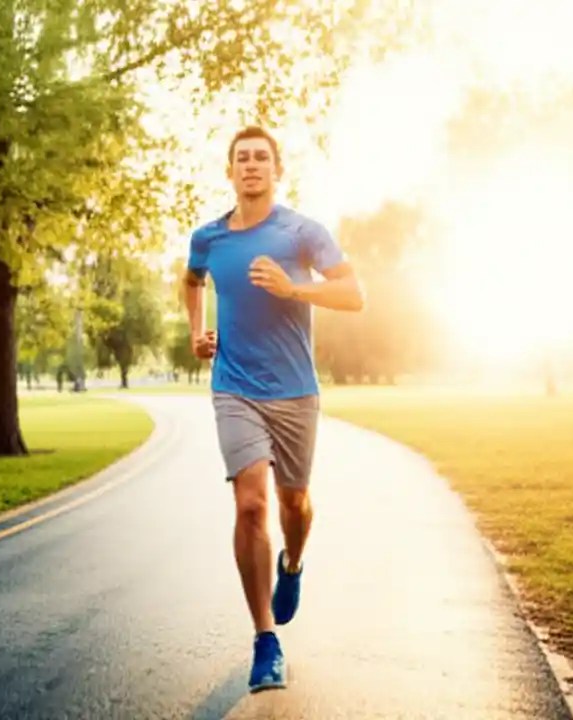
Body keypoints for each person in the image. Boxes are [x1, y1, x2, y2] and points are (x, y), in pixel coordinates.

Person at [183, 125, 365, 692]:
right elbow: (191, 281)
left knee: (294, 504)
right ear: (230, 171)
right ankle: (266, 638)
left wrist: (293, 290)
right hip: (234, 386)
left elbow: (354, 293)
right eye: (243, 158)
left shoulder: (303, 232)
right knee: (250, 505)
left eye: (262, 157)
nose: (252, 165)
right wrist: (196, 331)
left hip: (294, 391)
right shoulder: (208, 238)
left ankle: (293, 563)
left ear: (277, 170)